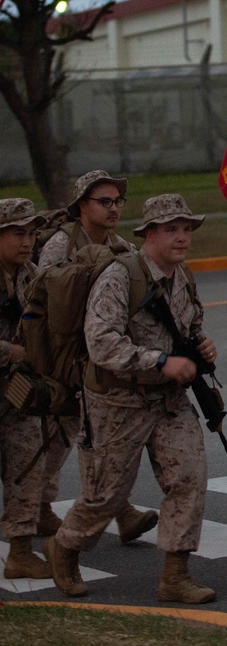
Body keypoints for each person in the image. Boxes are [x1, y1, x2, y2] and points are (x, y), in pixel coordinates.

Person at [45, 194, 219, 604]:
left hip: (168, 401)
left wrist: (200, 348)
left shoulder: (182, 275)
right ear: (150, 234)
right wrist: (160, 361)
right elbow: (101, 343)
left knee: (189, 478)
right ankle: (65, 546)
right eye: (172, 229)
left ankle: (175, 575)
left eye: (187, 229)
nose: (182, 237)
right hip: (117, 402)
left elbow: (190, 325)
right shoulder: (120, 277)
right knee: (106, 496)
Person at [34, 170, 158, 545]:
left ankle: (119, 511)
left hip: (97, 356)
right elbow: (42, 300)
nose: (114, 208)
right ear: (81, 206)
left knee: (93, 435)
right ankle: (38, 508)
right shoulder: (61, 244)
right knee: (58, 437)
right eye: (104, 202)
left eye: (118, 201)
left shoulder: (121, 245)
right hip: (61, 356)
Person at [0, 198, 51, 580]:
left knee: (25, 467)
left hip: (16, 393)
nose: (27, 241)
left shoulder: (33, 275)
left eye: (32, 233)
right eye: (18, 233)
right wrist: (12, 351)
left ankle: (20, 551)